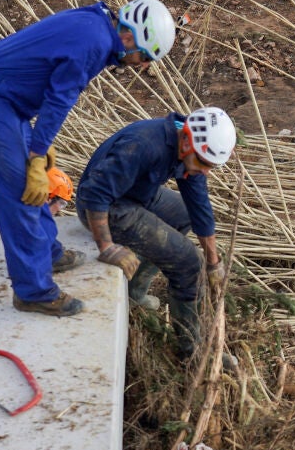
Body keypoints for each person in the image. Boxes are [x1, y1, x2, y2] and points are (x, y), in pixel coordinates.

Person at [0, 0, 177, 317]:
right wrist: (37, 153)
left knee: (35, 182)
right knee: (20, 191)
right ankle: (33, 291)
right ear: (129, 38)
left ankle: (48, 252)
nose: (142, 65)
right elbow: (59, 101)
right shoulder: (94, 46)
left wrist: (39, 150)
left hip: (3, 97)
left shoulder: (96, 25)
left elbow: (50, 82)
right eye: (144, 56)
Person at [77, 107, 237, 358]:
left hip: (139, 195)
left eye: (211, 166)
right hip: (110, 208)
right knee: (187, 262)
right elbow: (94, 193)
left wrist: (214, 263)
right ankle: (192, 352)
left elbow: (199, 208)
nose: (206, 171)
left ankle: (135, 292)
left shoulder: (189, 151)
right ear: (186, 140)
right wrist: (107, 247)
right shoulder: (144, 145)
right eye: (204, 164)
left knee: (183, 216)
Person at [0, 167, 75, 221]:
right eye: (61, 203)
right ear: (45, 197)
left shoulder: (10, 194)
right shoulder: (12, 212)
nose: (60, 209)